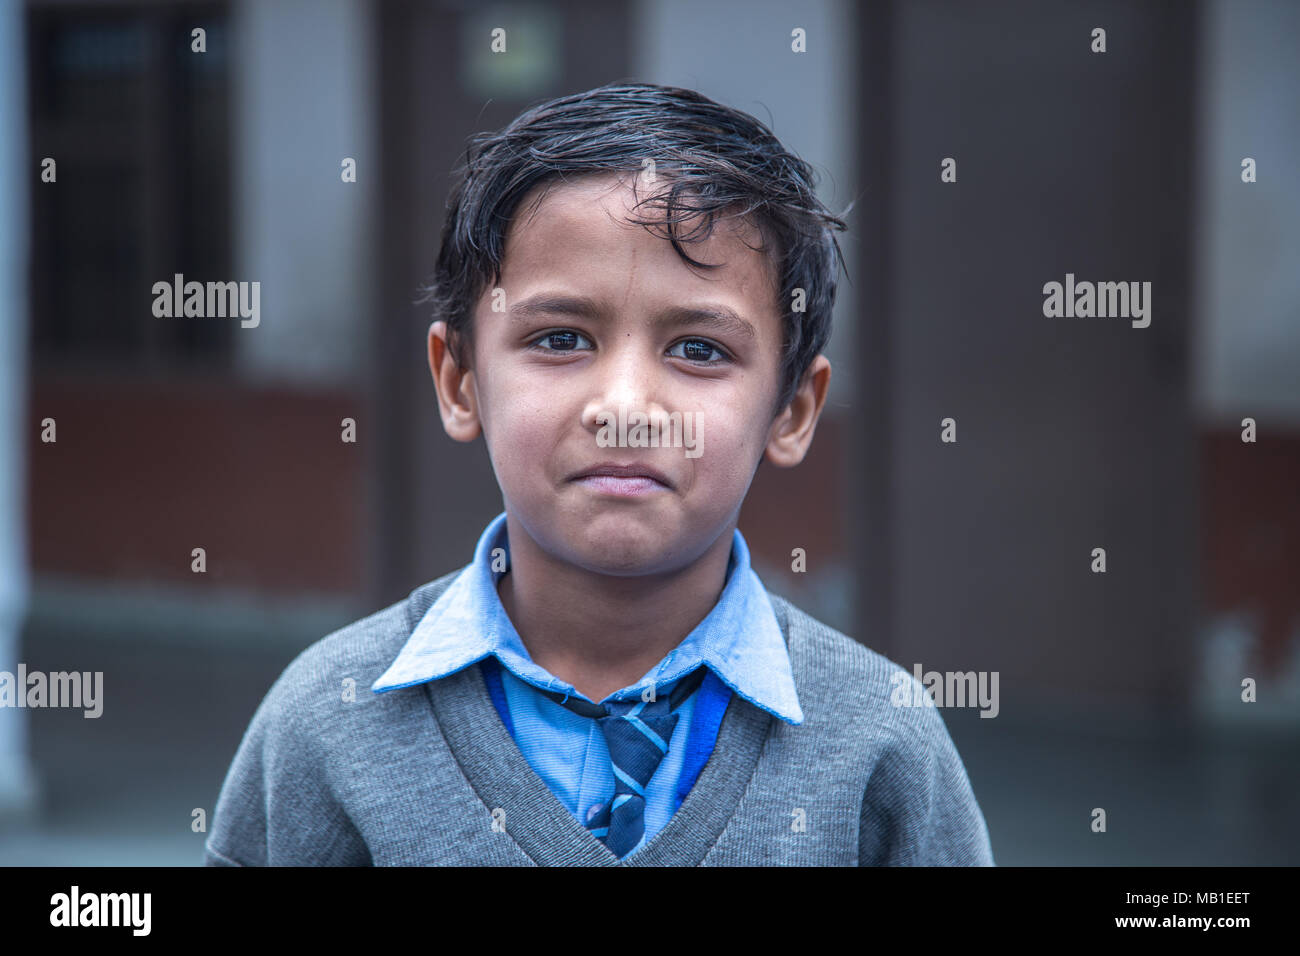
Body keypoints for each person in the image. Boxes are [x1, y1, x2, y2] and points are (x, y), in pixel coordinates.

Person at [204, 82, 994, 866]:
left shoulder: (880, 743)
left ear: (791, 411)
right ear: (459, 381)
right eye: (559, 339)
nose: (623, 407)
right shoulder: (327, 723)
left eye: (699, 349)